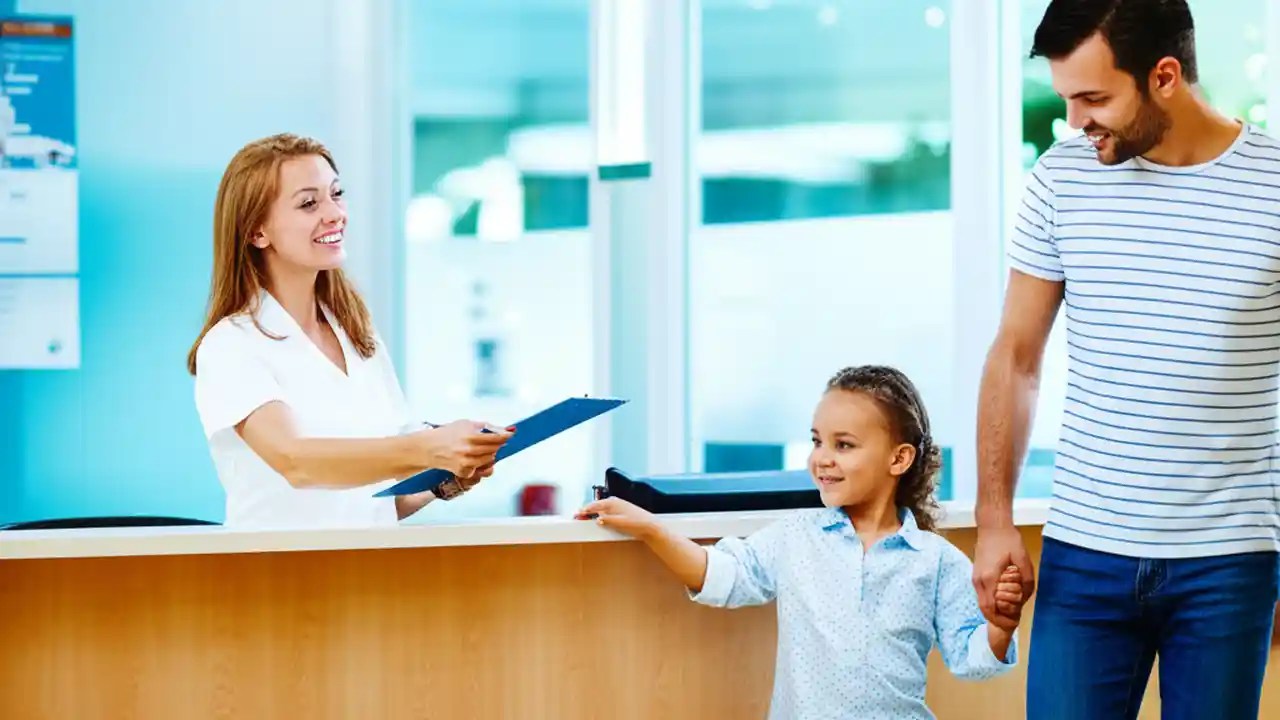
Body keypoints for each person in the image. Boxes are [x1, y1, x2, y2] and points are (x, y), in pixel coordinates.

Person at [972, 1, 1280, 717]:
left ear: (1165, 76)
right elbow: (1015, 356)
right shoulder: (1062, 179)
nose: (1076, 122)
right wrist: (994, 521)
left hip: (1229, 563)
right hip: (1084, 556)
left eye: (1094, 98)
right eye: (1067, 99)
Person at [579, 365, 1026, 719]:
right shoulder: (796, 537)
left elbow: (973, 660)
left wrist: (1002, 626)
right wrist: (651, 527)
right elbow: (721, 576)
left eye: (844, 444)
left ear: (899, 458)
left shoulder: (935, 560)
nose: (821, 458)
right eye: (817, 441)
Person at [187, 133, 512, 529]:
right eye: (309, 203)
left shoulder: (358, 334)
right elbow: (296, 462)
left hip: (366, 574)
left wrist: (448, 478)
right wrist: (429, 447)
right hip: (277, 579)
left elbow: (380, 501)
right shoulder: (231, 345)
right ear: (257, 232)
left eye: (336, 194)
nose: (335, 213)